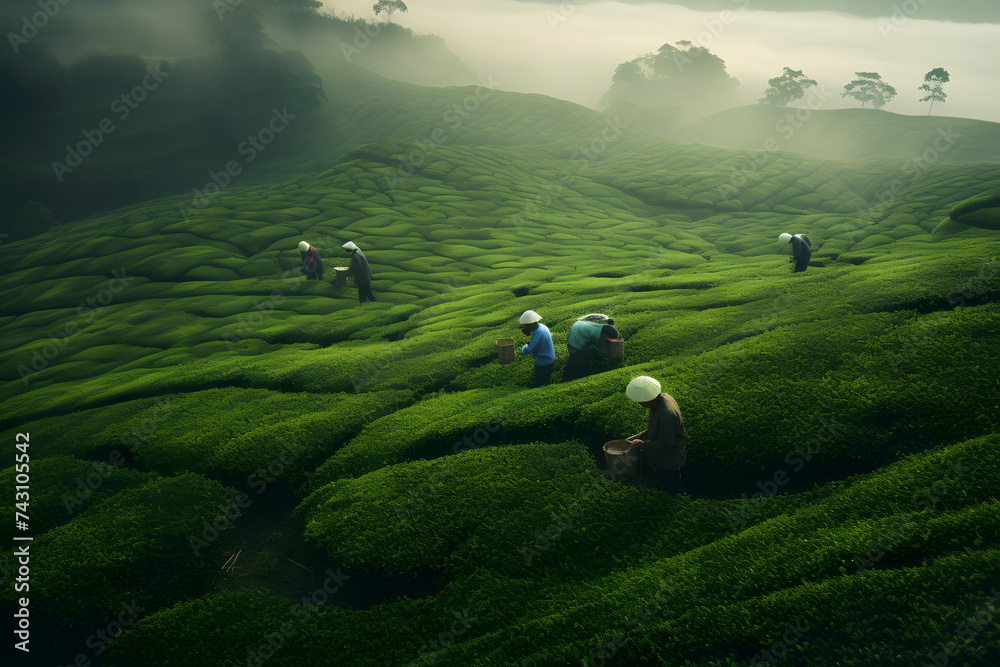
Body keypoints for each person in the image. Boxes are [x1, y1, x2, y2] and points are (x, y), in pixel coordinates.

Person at [625, 376, 685, 493]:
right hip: (662, 459)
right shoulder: (663, 398)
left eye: (641, 400)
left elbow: (666, 445)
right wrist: (640, 436)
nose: (639, 403)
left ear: (649, 398)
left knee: (672, 489)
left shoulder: (665, 414)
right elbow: (657, 428)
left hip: (669, 461)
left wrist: (641, 444)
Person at [563, 313, 620, 381]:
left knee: (574, 361)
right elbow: (600, 348)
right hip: (578, 348)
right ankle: (568, 380)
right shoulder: (595, 330)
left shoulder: (592, 322)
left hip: (571, 344)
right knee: (585, 368)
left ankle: (567, 376)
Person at [518, 310, 555, 387]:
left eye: (526, 325)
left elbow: (529, 350)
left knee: (541, 383)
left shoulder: (538, 333)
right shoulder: (542, 326)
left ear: (530, 324)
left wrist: (524, 348)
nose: (524, 327)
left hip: (544, 362)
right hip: (549, 358)